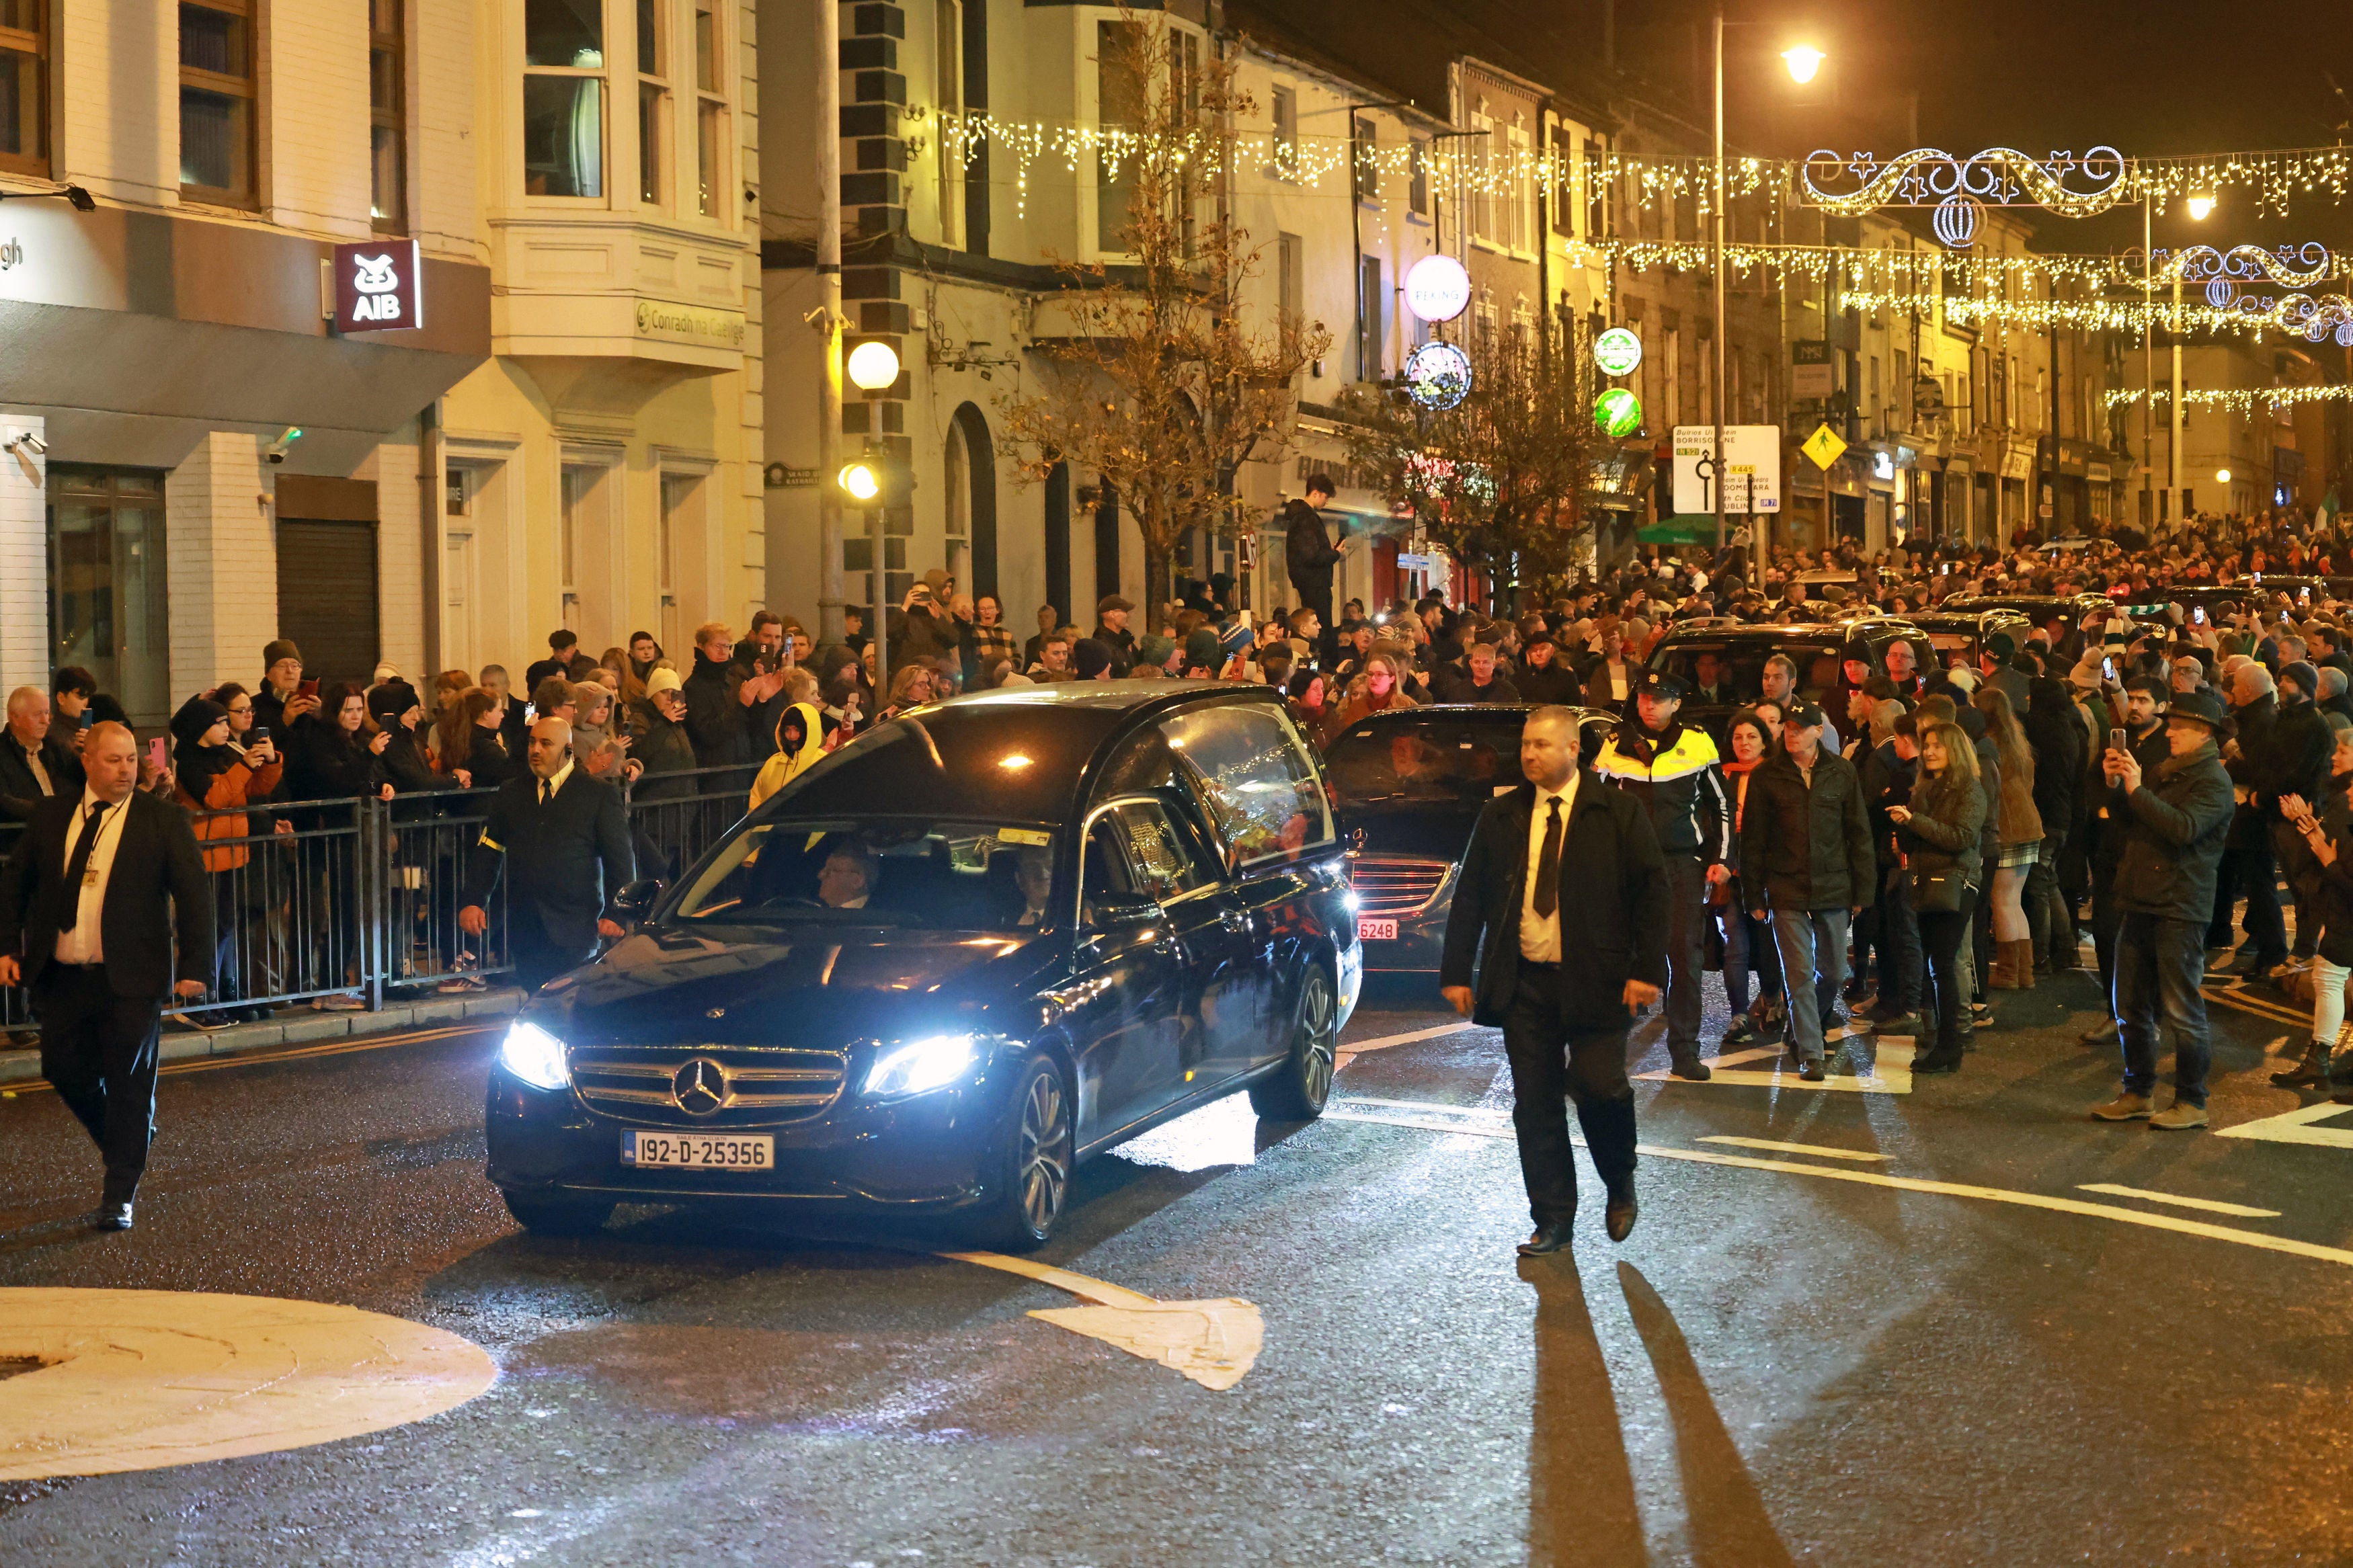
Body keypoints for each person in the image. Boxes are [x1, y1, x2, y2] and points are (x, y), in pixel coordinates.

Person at [1439, 706, 1667, 1255]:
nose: (1530, 754)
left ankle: (1619, 1177)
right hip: (1526, 984)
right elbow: (1470, 895)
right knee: (1535, 1105)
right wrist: (1457, 971)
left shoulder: (1617, 812)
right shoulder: (1502, 816)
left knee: (1599, 1087)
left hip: (1596, 981)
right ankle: (1553, 1218)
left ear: (1572, 750)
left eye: (1542, 744)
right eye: (1525, 745)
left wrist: (1645, 971)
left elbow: (1653, 892)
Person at [0, 721, 213, 1229]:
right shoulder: (52, 816)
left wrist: (195, 967)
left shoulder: (163, 820)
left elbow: (194, 895)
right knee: (63, 1068)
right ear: (89, 762)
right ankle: (130, 1138)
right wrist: (7, 945)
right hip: (65, 973)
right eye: (114, 760)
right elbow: (16, 882)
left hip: (132, 977)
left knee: (129, 1084)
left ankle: (119, 1193)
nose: (125, 769)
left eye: (132, 760)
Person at [2093, 689, 2236, 1129]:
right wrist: (2118, 785)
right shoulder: (2165, 770)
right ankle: (2137, 1092)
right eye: (2172, 723)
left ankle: (2192, 1101)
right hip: (2141, 897)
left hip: (2180, 905)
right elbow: (2134, 816)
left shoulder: (2213, 781)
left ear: (2205, 733)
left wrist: (2136, 787)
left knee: (2181, 1009)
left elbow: (2182, 828)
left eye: (2180, 726)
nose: (2170, 731)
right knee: (2130, 1004)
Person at [1593, 671, 1728, 1080]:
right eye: (1644, 698)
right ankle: (1605, 1050)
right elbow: (1591, 804)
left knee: (1685, 954)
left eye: (1658, 699)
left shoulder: (1698, 741)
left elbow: (1720, 805)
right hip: (1627, 866)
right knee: (1617, 955)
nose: (1649, 705)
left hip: (1681, 863)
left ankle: (1685, 1050)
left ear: (1676, 704)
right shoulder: (1616, 742)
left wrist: (1720, 859)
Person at [1739, 700, 1874, 1081]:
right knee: (1799, 973)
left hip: (1833, 886)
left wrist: (1863, 892)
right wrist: (1754, 895)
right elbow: (1753, 841)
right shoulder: (1768, 775)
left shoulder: (1842, 773)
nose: (1793, 733)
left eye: (1801, 728)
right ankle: (1812, 1053)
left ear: (1819, 732)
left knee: (1834, 972)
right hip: (1786, 887)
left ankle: (1805, 1022)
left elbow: (1858, 835)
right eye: (1789, 727)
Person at [459, 718, 635, 991]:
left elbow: (620, 860)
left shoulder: (597, 795)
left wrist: (617, 914)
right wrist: (473, 900)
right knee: (534, 1005)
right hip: (525, 925)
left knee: (568, 1003)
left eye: (545, 743)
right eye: (532, 742)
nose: (536, 750)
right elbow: (490, 850)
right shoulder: (512, 792)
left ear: (567, 749)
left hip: (575, 926)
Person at [1887, 721, 1987, 1073]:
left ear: (1955, 750)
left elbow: (1960, 837)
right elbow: (1918, 841)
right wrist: (1904, 827)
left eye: (1937, 746)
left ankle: (1951, 1044)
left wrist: (1914, 822)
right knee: (1937, 965)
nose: (1929, 751)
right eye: (1927, 745)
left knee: (1944, 965)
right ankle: (1946, 1042)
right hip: (1926, 884)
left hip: (1955, 885)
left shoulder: (1970, 790)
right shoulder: (1925, 788)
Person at [2081, 677, 2171, 1046]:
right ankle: (2114, 1011)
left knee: (2149, 941)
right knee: (2105, 932)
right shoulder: (2118, 740)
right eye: (2131, 699)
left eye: (2144, 700)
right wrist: (2106, 787)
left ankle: (2152, 1016)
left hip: (2151, 857)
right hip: (2113, 854)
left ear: (2161, 707)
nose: (2134, 706)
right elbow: (2092, 785)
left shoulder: (2170, 745)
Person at [2275, 729, 2353, 1101]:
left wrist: (2330, 861)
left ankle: (2319, 1061)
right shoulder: (2343, 802)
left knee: (2330, 977)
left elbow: (2334, 859)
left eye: (2342, 751)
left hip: (2347, 908)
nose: (2334, 757)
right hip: (2339, 907)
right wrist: (2304, 822)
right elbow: (2323, 842)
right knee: (2328, 977)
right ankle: (2318, 1062)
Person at [2258, 659, 2335, 977]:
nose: (2280, 685)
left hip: (2299, 815)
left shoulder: (2313, 724)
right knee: (2295, 882)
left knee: (2307, 888)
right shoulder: (2284, 719)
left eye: (2287, 680)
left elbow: (2294, 771)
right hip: (2280, 812)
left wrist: (2262, 795)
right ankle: (2303, 948)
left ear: (2304, 687)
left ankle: (2306, 949)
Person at [1714, 709, 1786, 1046]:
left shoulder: (1774, 774)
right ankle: (1738, 1015)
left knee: (1769, 941)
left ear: (1765, 742)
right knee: (1735, 947)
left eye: (1752, 737)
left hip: (1766, 872)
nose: (1744, 743)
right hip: (1731, 872)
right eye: (1738, 737)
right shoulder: (1721, 775)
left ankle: (1772, 999)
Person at [2212, 661, 2288, 976]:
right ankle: (2233, 935)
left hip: (2253, 816)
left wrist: (2229, 760)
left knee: (2260, 884)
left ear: (2247, 690)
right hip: (2246, 814)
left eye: (2236, 687)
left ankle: (2272, 952)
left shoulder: (2262, 722)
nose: (2231, 692)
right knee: (2246, 879)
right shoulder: (2259, 717)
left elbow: (2255, 767)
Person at [1974, 687, 2044, 989]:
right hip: (2030, 826)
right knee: (2014, 902)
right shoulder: (2018, 741)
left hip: (2007, 829)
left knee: (2001, 901)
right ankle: (2023, 973)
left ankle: (2007, 973)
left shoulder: (1989, 745)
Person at [0, 686, 84, 821]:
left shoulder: (56, 748)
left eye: (47, 713)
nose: (46, 721)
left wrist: (92, 752)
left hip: (65, 831)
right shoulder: (4, 751)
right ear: (15, 718)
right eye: (37, 715)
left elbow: (87, 782)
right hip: (23, 835)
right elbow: (4, 803)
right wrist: (48, 812)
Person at [1281, 477, 1343, 659]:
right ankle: (1324, 666)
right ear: (1315, 493)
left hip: (1309, 580)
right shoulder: (1306, 518)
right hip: (1315, 582)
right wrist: (1335, 554)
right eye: (1325, 497)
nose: (1326, 501)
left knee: (1320, 627)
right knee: (1322, 628)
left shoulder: (1301, 517)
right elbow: (1311, 556)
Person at [683, 621, 750, 767]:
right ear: (701, 647)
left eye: (727, 646)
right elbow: (708, 734)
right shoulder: (694, 687)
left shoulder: (735, 678)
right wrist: (741, 706)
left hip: (742, 765)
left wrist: (763, 700)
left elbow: (750, 725)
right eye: (717, 646)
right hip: (715, 769)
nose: (723, 652)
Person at [748, 700, 828, 811]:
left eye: (797, 730)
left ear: (809, 730)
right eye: (787, 730)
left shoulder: (824, 764)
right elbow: (756, 801)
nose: (792, 736)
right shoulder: (772, 764)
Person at [1515, 634, 1582, 706]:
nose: (1538, 653)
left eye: (1543, 648)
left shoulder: (1567, 677)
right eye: (1534, 649)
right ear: (1528, 653)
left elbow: (1577, 706)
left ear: (1552, 650)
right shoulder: (1519, 678)